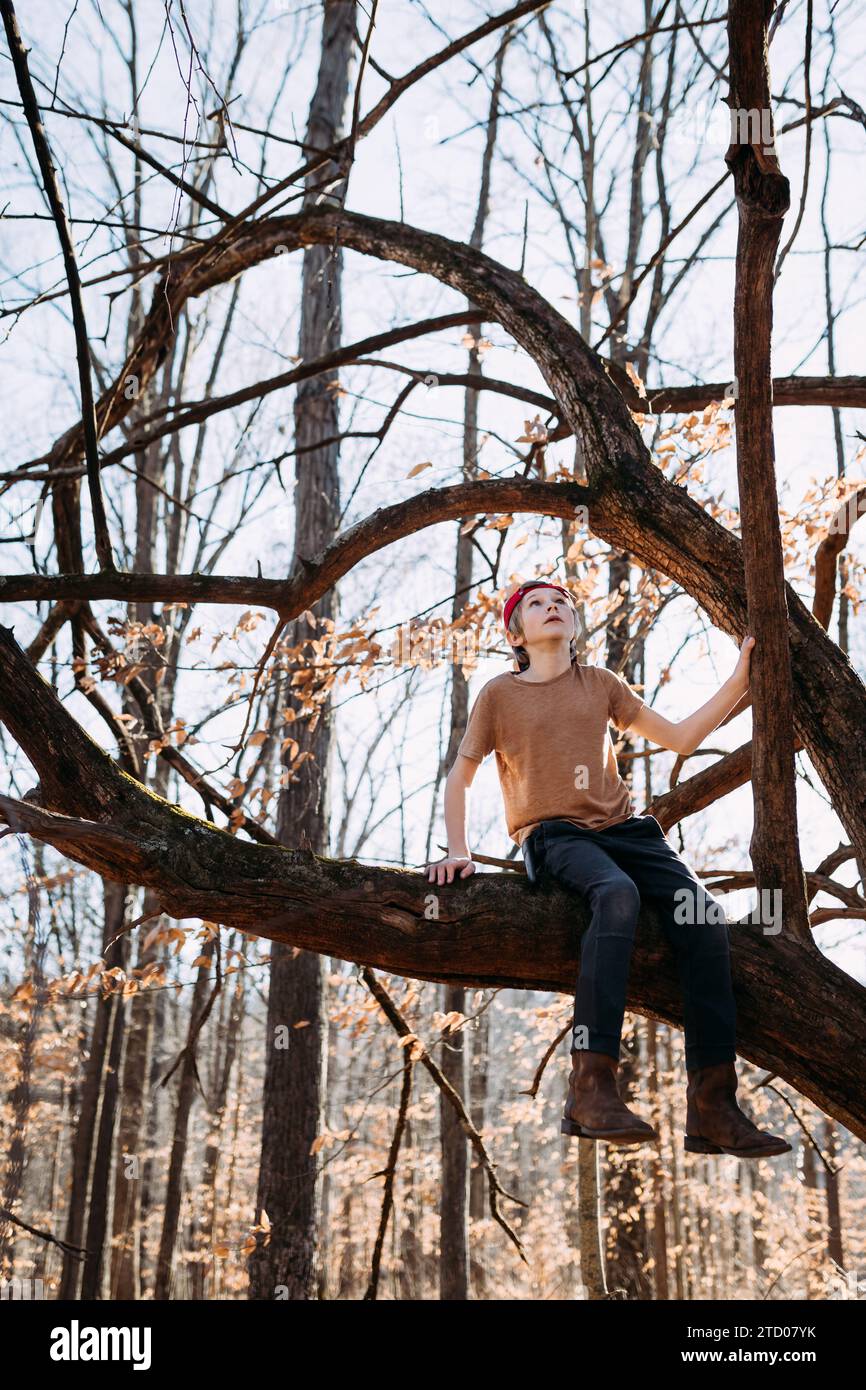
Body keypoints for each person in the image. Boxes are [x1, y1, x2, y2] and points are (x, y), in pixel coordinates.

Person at [425, 578, 791, 1159]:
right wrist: (457, 849)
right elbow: (461, 775)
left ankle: (713, 1106)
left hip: (629, 832)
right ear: (516, 633)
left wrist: (741, 678)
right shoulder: (499, 693)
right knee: (615, 896)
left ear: (574, 624)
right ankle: (591, 1085)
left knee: (705, 920)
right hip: (554, 834)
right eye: (537, 605)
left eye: (562, 603)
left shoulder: (600, 684)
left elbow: (680, 739)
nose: (553, 608)